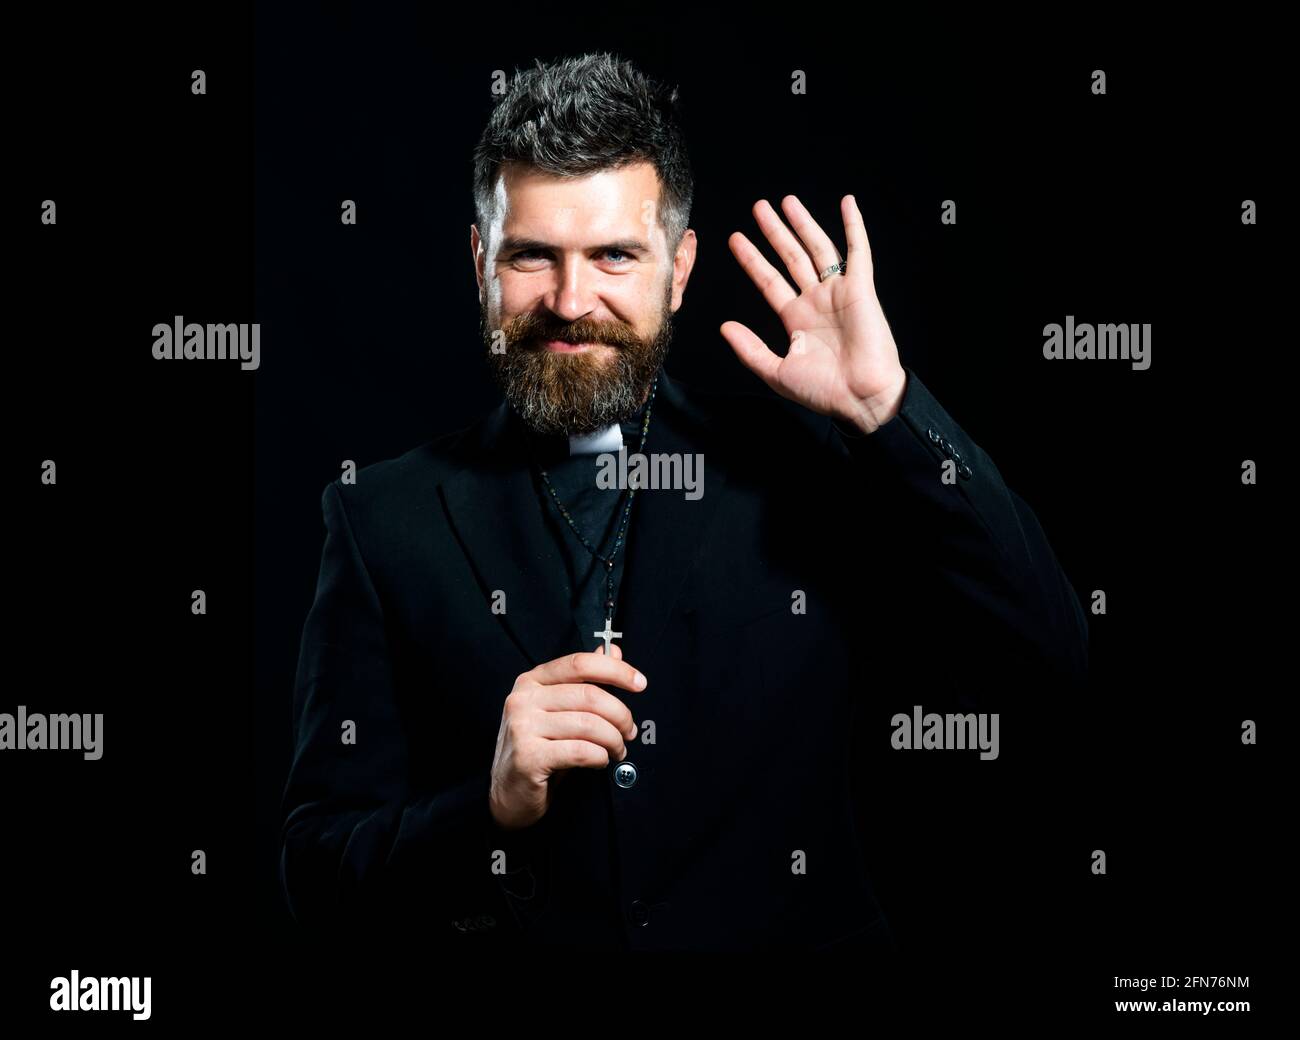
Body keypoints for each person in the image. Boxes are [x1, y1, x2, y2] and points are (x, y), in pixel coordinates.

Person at [278, 52, 1088, 952]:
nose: (570, 300)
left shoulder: (803, 463)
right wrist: (491, 806)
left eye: (615, 255)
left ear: (679, 268)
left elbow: (1047, 648)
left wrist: (890, 412)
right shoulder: (379, 517)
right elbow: (317, 877)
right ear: (480, 263)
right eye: (532, 256)